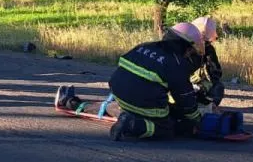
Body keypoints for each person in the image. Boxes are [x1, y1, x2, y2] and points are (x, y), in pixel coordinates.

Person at [56, 22, 205, 141]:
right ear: (184, 45)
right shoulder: (177, 63)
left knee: (117, 109)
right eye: (190, 49)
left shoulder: (145, 46)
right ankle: (133, 125)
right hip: (142, 101)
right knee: (168, 127)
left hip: (119, 93)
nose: (190, 53)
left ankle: (70, 101)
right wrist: (197, 119)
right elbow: (185, 99)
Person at [191, 16, 225, 109]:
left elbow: (215, 71)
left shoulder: (180, 43)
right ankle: (210, 105)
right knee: (218, 87)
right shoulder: (208, 48)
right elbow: (216, 71)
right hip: (189, 83)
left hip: (189, 82)